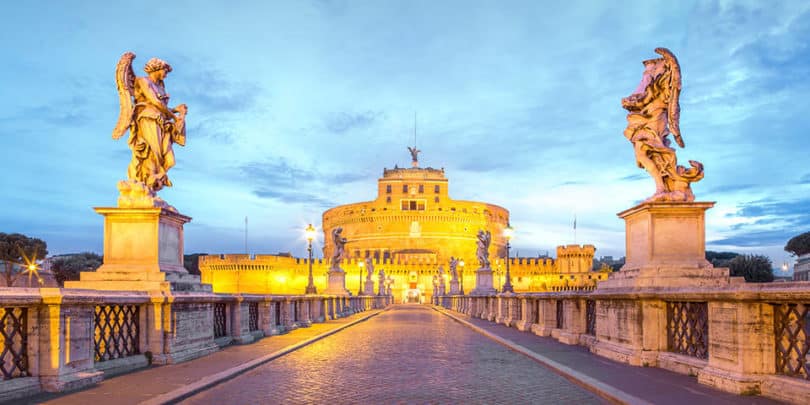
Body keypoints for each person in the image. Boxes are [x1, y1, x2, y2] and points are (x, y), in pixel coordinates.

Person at [128, 57, 187, 193]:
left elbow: (161, 108)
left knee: (168, 159)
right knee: (152, 153)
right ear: (157, 68)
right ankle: (146, 183)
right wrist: (174, 116)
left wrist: (176, 110)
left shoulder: (160, 86)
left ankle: (153, 182)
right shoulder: (142, 81)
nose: (166, 74)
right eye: (165, 70)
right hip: (147, 119)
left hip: (160, 122)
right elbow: (154, 102)